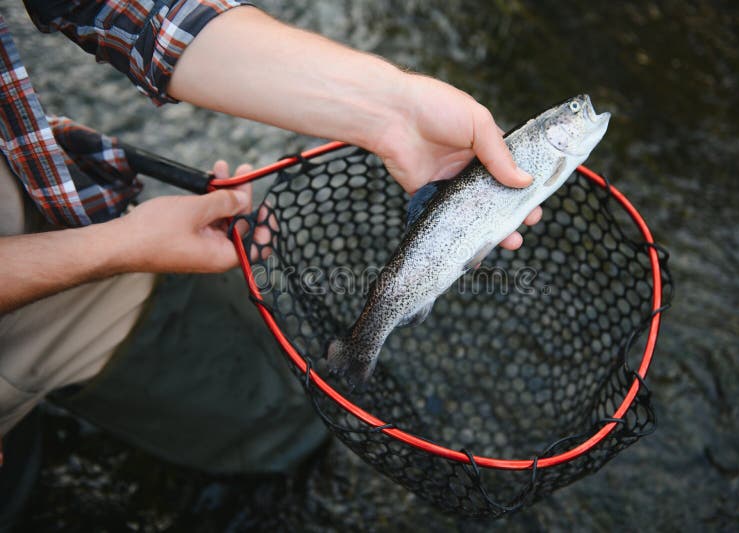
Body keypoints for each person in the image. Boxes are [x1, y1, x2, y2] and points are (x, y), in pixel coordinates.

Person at [0, 0, 542, 489]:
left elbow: (134, 12)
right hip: (63, 276)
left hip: (51, 197)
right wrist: (119, 246)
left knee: (262, 405)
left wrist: (394, 108)